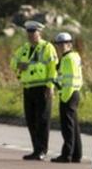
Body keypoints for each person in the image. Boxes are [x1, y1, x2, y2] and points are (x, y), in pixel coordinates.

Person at [11, 20, 58, 160]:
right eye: (29, 33)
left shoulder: (47, 47)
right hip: (28, 87)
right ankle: (35, 149)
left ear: (40, 32)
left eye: (33, 32)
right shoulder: (24, 48)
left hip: (42, 87)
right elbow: (12, 61)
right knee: (31, 119)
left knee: (42, 119)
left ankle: (42, 150)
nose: (31, 35)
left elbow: (52, 67)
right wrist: (19, 65)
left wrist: (50, 86)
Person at [51, 32, 83, 163]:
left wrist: (64, 97)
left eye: (64, 44)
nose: (61, 46)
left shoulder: (68, 59)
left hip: (68, 94)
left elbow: (68, 80)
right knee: (74, 126)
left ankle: (67, 154)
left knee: (67, 126)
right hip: (74, 93)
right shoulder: (73, 57)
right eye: (59, 44)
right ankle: (76, 154)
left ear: (70, 44)